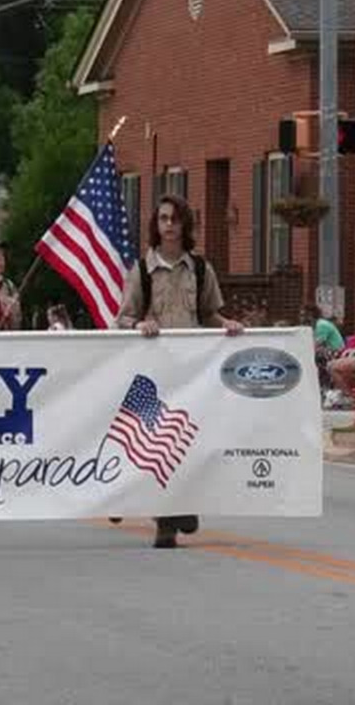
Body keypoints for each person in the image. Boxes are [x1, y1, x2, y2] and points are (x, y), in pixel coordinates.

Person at [117, 194, 243, 549]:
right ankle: (166, 519)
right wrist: (140, 324)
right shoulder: (141, 271)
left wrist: (227, 324)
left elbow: (208, 314)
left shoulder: (200, 269)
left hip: (192, 371)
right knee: (158, 445)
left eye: (175, 219)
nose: (169, 225)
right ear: (155, 226)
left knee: (188, 442)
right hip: (154, 371)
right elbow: (123, 318)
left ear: (185, 224)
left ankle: (181, 506)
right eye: (163, 219)